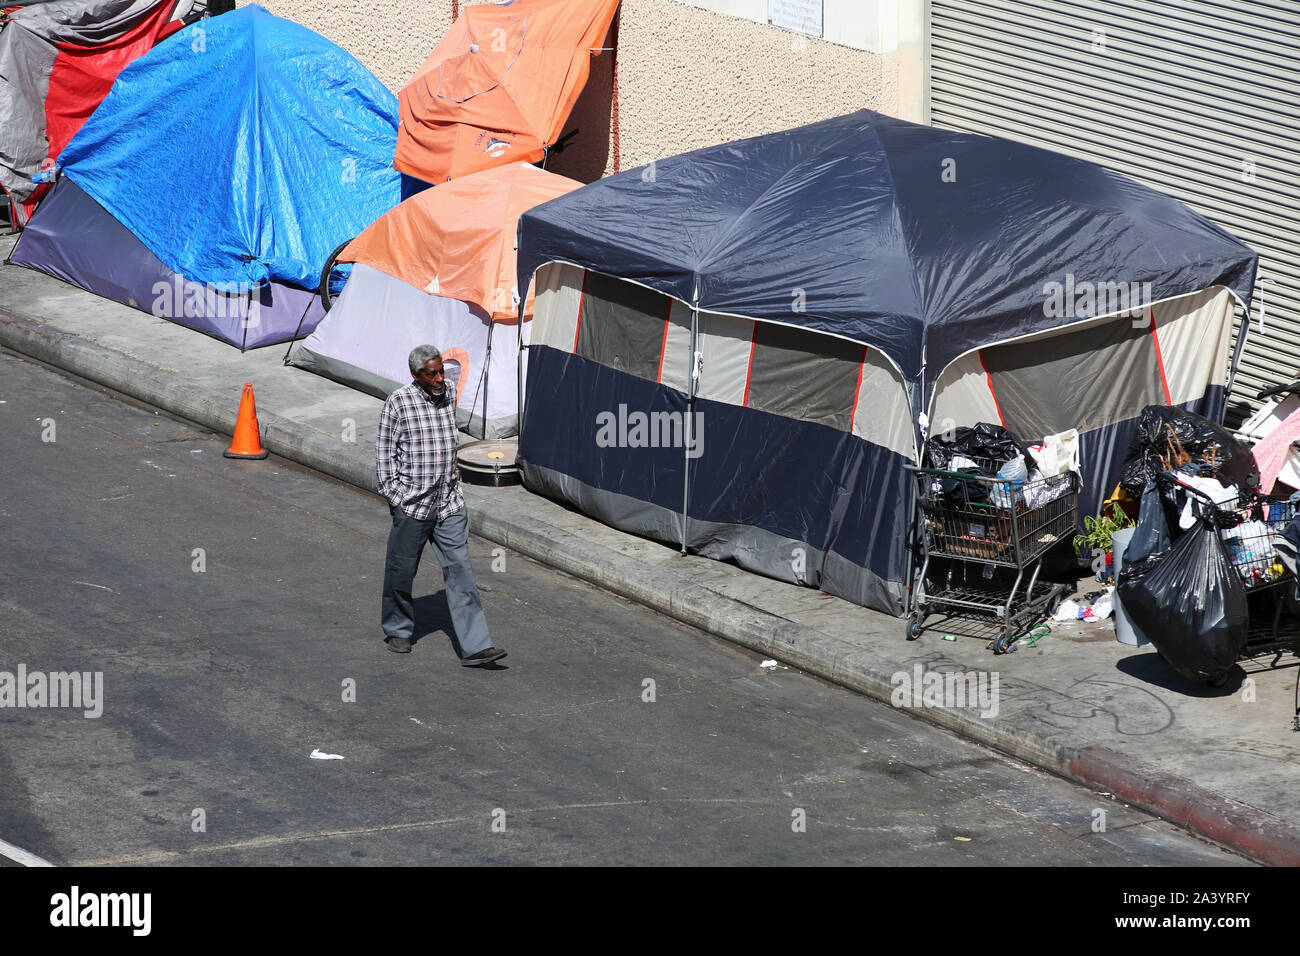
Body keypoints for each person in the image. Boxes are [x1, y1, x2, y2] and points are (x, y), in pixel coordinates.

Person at [376, 345, 506, 666]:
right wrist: (399, 499)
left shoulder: (448, 394)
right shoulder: (398, 403)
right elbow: (384, 459)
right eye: (430, 374)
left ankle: (476, 646)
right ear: (415, 375)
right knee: (401, 570)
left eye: (440, 371)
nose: (438, 378)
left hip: (449, 504)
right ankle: (398, 629)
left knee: (461, 570)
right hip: (414, 507)